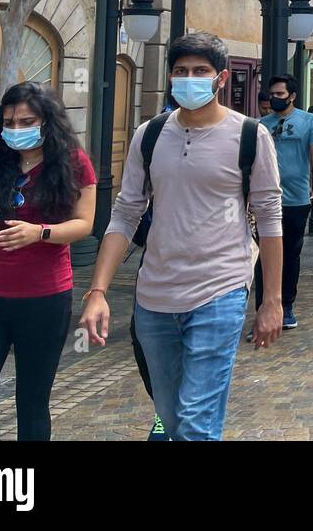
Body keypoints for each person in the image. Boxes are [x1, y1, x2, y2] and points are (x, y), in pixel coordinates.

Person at [81, 32, 283, 442]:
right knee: (169, 419)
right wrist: (98, 290)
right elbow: (125, 213)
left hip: (220, 290)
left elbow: (269, 218)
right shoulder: (149, 135)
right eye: (180, 71)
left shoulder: (250, 136)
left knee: (195, 424)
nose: (188, 79)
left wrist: (271, 300)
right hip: (154, 296)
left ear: (220, 78)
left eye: (200, 71)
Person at [0, 82, 96, 441]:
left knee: (32, 403)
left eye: (26, 121)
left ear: (48, 121)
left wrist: (39, 232)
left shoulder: (74, 163)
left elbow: (84, 224)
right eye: (9, 122)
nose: (16, 130)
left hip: (45, 298)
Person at [257, 75, 313, 332]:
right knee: (263, 256)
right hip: (265, 199)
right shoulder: (261, 125)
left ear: (292, 96)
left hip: (296, 198)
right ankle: (264, 308)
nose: (274, 99)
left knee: (291, 253)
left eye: (280, 94)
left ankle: (286, 304)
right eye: (271, 94)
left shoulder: (309, 121)